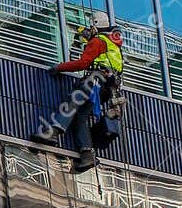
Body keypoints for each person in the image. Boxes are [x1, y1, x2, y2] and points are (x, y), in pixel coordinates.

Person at [40, 10, 124, 173]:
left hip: (96, 80)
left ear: (96, 25)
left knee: (73, 102)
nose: (89, 29)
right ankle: (87, 154)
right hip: (108, 88)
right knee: (81, 117)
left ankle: (52, 132)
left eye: (91, 26)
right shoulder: (113, 45)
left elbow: (83, 63)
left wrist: (59, 67)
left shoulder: (98, 42)